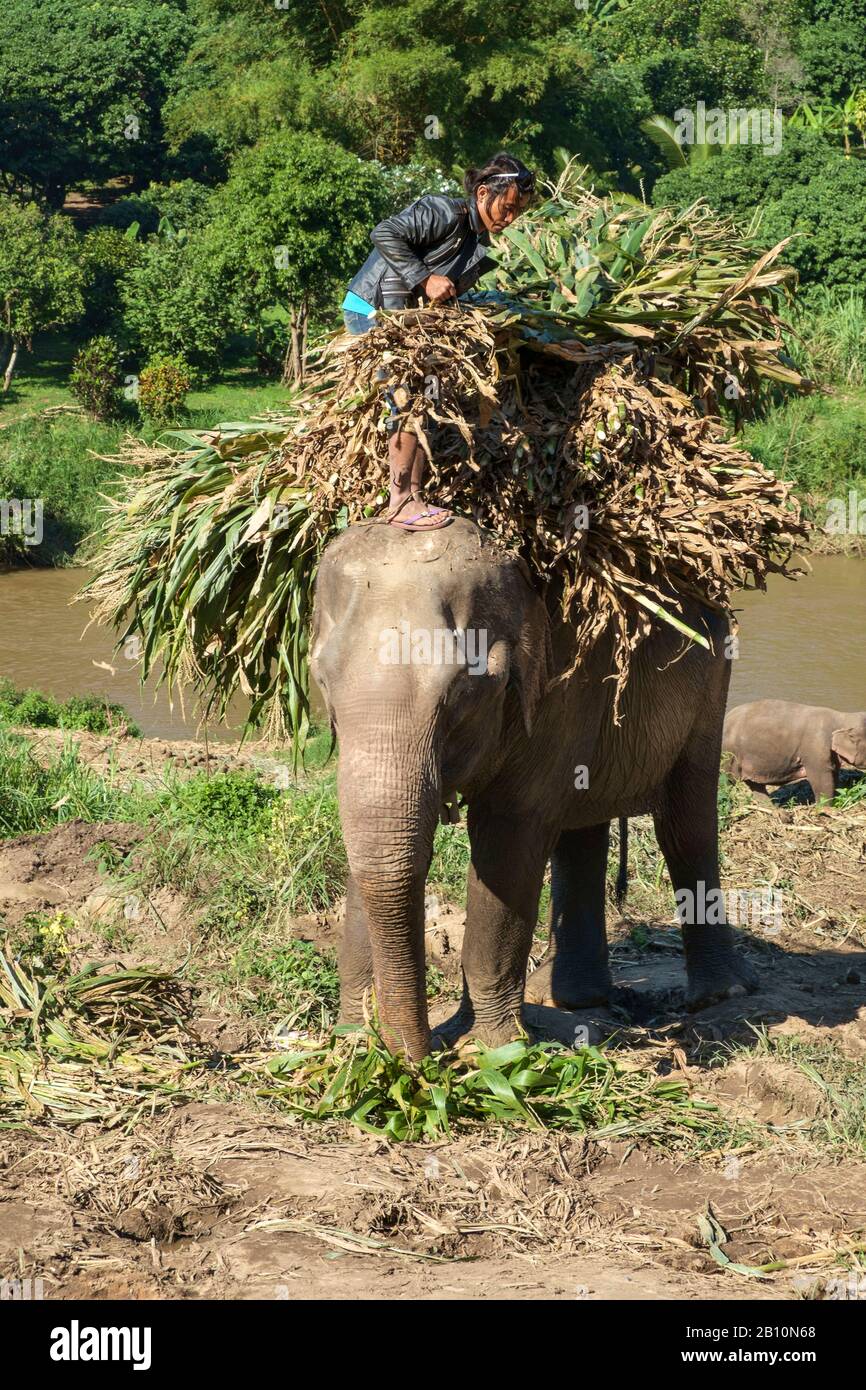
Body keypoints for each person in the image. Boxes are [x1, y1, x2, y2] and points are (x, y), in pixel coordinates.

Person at [343, 152, 535, 530]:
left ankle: (413, 496)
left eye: (517, 213)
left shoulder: (476, 242)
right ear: (483, 192)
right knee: (406, 396)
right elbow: (384, 232)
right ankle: (398, 502)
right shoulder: (445, 211)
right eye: (507, 208)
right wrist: (424, 278)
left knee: (429, 398)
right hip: (373, 307)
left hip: (406, 320)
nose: (509, 219)